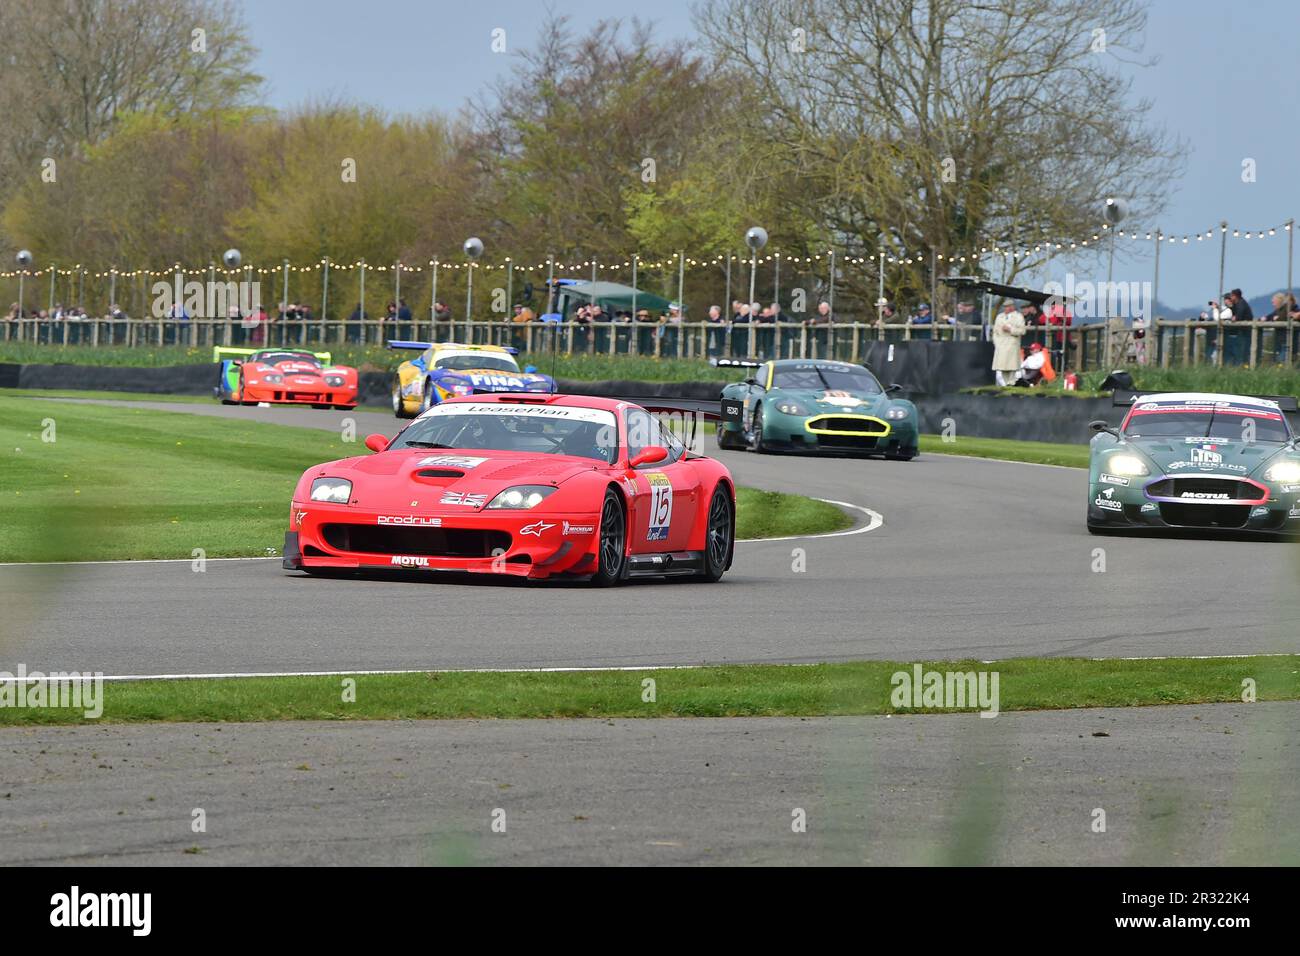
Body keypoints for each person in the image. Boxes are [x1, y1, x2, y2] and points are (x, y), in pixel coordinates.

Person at [992, 300, 1026, 386]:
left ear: (1012, 307)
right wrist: (997, 343)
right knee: (1002, 367)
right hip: (1001, 345)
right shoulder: (1000, 317)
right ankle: (1005, 384)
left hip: (1012, 344)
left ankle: (1011, 384)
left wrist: (1010, 330)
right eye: (1005, 307)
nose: (1006, 308)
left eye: (1008, 306)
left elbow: (1022, 331)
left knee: (1011, 367)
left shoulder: (1018, 316)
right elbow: (995, 331)